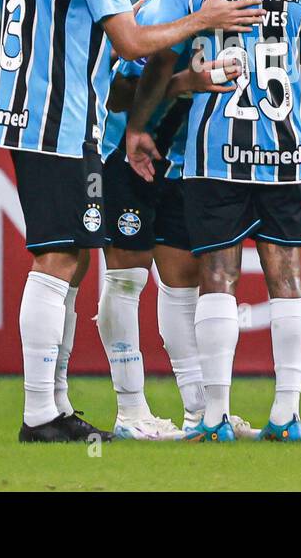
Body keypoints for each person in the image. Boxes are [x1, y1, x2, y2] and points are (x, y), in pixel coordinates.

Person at [0, 0, 266, 444]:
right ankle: (40, 414)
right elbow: (130, 40)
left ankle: (54, 406)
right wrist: (204, 16)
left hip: (25, 111)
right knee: (59, 259)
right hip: (59, 121)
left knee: (66, 260)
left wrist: (180, 83)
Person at [124, 0, 301, 443]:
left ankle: (213, 418)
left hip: (215, 151)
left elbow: (156, 45)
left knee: (219, 277)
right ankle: (286, 416)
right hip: (286, 148)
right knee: (287, 278)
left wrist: (140, 123)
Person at [96, 35, 261, 439]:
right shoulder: (172, 16)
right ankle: (130, 410)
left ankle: (199, 411)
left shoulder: (256, 28)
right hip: (125, 154)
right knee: (126, 276)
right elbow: (117, 96)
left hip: (184, 162)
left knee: (183, 279)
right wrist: (184, 82)